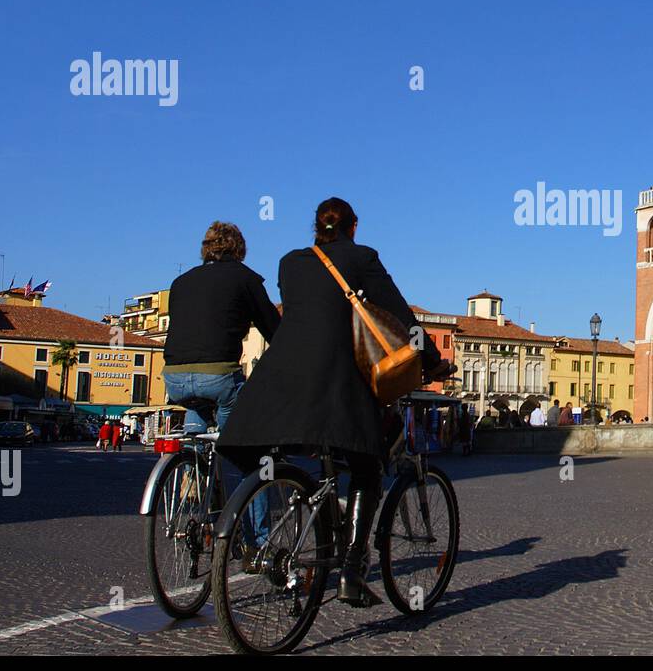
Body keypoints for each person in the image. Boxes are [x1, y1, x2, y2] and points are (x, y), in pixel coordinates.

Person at [217, 197, 445, 606]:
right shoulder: (363, 258)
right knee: (366, 466)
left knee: (296, 459)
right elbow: (399, 313)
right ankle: (352, 573)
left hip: (280, 381)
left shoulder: (290, 263)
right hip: (336, 380)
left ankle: (306, 512)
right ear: (353, 227)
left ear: (317, 227)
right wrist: (432, 359)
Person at [162, 221, 281, 435]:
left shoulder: (180, 282)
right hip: (218, 377)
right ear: (239, 248)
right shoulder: (245, 278)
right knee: (239, 429)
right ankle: (237, 450)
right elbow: (274, 330)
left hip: (174, 378)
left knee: (197, 405)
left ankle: (192, 458)